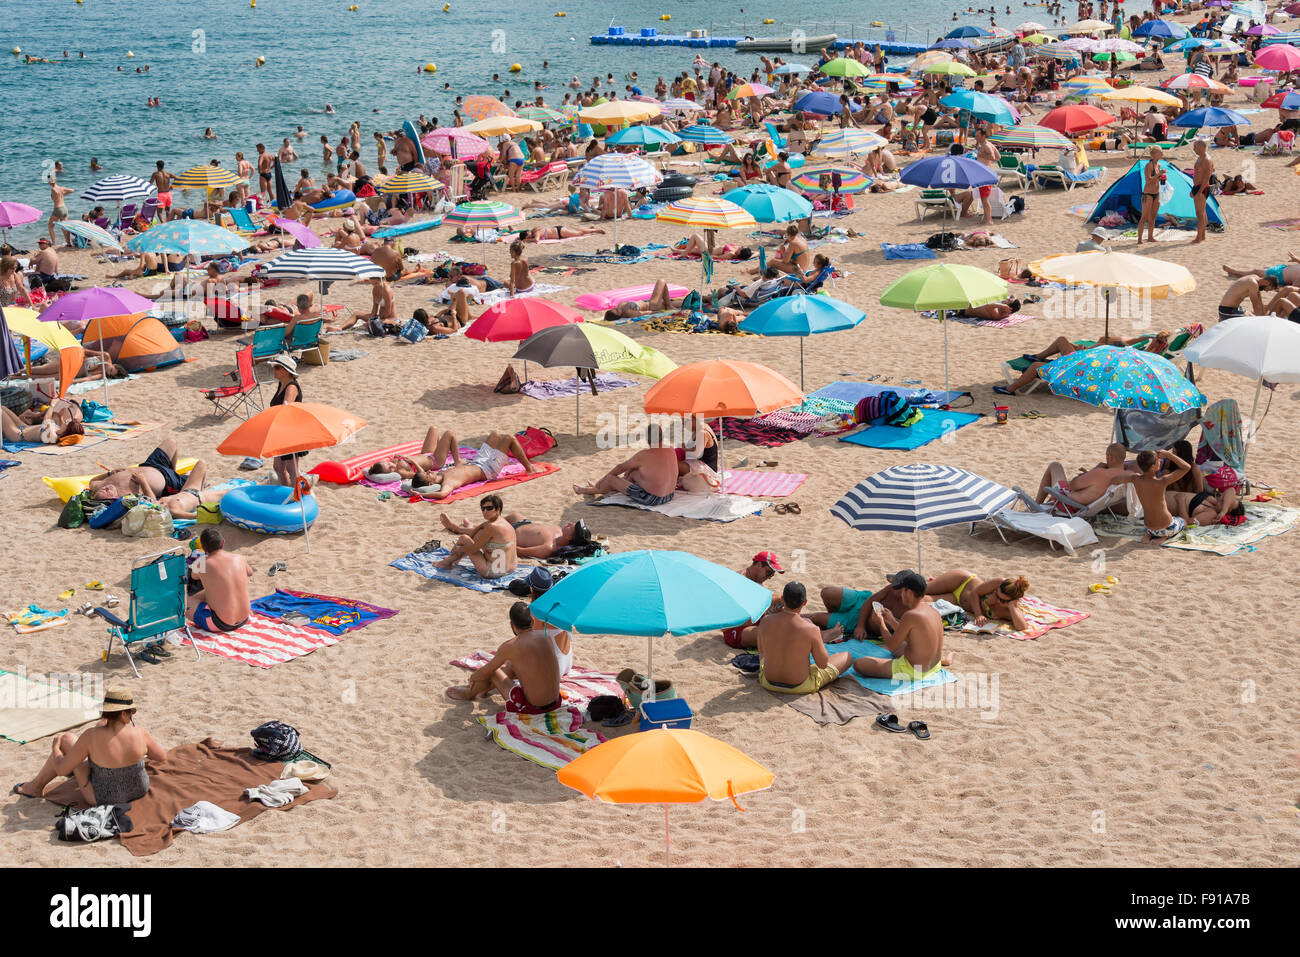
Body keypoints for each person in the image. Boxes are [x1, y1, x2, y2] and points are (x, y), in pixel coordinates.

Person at [11, 688, 165, 805]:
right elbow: (161, 757)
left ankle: (35, 787)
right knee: (100, 732)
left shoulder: (91, 735)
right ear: (124, 714)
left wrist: (56, 748)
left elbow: (61, 770)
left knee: (66, 738)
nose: (131, 716)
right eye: (131, 712)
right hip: (139, 790)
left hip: (101, 798)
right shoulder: (141, 733)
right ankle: (37, 785)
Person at [446, 602, 562, 713]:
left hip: (533, 709)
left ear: (512, 625)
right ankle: (483, 690)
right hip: (556, 703)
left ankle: (469, 694)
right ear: (532, 622)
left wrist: (473, 677)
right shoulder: (546, 637)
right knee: (511, 665)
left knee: (491, 671)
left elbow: (486, 672)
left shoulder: (511, 645)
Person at [366, 424, 536, 499]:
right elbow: (441, 494)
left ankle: (503, 459)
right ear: (431, 482)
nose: (429, 472)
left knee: (495, 434)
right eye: (429, 476)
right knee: (509, 438)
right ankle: (529, 468)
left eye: (427, 473)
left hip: (477, 462)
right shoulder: (448, 482)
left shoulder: (439, 474)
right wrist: (421, 494)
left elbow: (420, 474)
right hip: (488, 469)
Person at [755, 582, 852, 695]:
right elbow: (823, 664)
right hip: (799, 686)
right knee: (847, 657)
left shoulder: (765, 621)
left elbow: (762, 653)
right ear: (804, 602)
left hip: (767, 682)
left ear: (782, 599)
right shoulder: (811, 629)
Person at [849, 572, 948, 683]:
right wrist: (891, 620)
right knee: (903, 645)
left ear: (909, 593)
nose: (901, 595)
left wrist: (881, 623)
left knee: (858, 664)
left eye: (902, 591)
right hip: (934, 667)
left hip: (916, 671)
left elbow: (891, 645)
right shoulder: (933, 611)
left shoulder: (911, 615)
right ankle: (945, 659)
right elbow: (914, 636)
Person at [572, 422, 678, 506]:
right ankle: (604, 487)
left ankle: (590, 490)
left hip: (653, 499)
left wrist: (602, 480)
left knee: (610, 478)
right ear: (662, 437)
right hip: (669, 495)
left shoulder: (644, 455)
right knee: (632, 472)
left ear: (647, 439)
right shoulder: (670, 449)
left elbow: (620, 467)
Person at [1108, 448, 1191, 543]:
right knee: (1183, 521)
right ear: (1152, 467)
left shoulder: (1135, 478)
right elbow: (1186, 467)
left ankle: (1148, 536)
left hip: (1149, 527)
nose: (1160, 461)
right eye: (1157, 460)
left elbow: (1115, 479)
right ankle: (1163, 538)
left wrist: (1129, 476)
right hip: (1166, 527)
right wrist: (1169, 455)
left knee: (1154, 526)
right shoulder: (1161, 481)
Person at [441, 508, 584, 560]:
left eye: (572, 527)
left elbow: (520, 551)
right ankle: (474, 528)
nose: (570, 523)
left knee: (492, 528)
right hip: (523, 524)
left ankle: (457, 528)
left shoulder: (549, 547)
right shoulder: (559, 532)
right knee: (514, 515)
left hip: (511, 534)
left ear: (569, 537)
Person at [88, 438, 199, 501]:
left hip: (151, 464)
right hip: (168, 482)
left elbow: (92, 482)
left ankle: (174, 471)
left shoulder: (100, 486)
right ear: (113, 498)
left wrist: (108, 474)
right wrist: (143, 482)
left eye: (103, 489)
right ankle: (179, 476)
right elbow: (153, 503)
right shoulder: (125, 497)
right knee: (198, 474)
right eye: (107, 492)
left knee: (171, 442)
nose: (106, 488)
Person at [436, 493, 517, 578]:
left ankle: (447, 562)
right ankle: (454, 558)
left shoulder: (492, 526)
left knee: (464, 539)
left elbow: (474, 548)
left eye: (489, 508)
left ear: (498, 509)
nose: (485, 511)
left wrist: (458, 548)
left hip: (492, 572)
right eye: (483, 508)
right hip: (510, 569)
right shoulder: (501, 522)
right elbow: (475, 532)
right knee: (467, 539)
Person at [1034, 441, 1135, 509]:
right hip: (1093, 507)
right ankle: (1041, 504)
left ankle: (1036, 505)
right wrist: (1089, 475)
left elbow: (1072, 486)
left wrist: (1093, 470)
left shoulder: (1100, 472)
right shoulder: (1130, 475)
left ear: (1110, 457)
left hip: (1068, 505)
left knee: (1055, 466)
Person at [188, 527, 253, 632]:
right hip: (244, 619)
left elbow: (193, 576)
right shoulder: (239, 558)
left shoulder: (202, 563)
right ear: (223, 542)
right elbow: (250, 572)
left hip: (220, 624)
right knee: (214, 589)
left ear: (204, 548)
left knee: (185, 601)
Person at [720, 551, 788, 648]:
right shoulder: (739, 580)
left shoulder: (756, 579)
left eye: (772, 575)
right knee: (779, 633)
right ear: (759, 565)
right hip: (735, 630)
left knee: (794, 620)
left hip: (752, 623)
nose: (769, 577)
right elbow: (725, 625)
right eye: (769, 572)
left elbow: (756, 609)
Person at [925, 570, 1029, 631]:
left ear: (1012, 600)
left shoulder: (1011, 609)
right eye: (996, 593)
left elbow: (1022, 627)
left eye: (1002, 600)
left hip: (957, 601)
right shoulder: (999, 582)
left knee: (921, 600)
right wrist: (979, 614)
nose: (997, 599)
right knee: (922, 590)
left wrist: (1012, 607)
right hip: (962, 581)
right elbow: (975, 593)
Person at [265, 355, 306, 486]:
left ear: (286, 371)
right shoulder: (282, 384)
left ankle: (296, 496)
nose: (274, 370)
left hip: (290, 431)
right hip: (281, 430)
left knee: (291, 468)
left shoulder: (291, 387)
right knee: (278, 467)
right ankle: (287, 491)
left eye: (277, 367)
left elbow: (285, 409)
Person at [329, 276, 396, 331]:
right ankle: (340, 328)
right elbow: (374, 308)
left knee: (370, 324)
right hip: (380, 317)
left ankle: (374, 323)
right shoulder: (375, 289)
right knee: (357, 314)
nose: (374, 285)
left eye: (375, 283)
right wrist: (372, 318)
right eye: (372, 283)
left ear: (381, 280)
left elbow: (388, 312)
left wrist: (375, 321)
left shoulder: (387, 291)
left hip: (390, 319)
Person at [0, 404, 84, 445]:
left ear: (67, 430)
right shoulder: (59, 430)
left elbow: (46, 420)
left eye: (67, 422)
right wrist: (60, 415)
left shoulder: (52, 436)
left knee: (0, 411)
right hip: (24, 427)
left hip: (16, 434)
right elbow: (58, 422)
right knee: (3, 407)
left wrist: (52, 404)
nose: (65, 421)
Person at [1136, 146, 1163, 245]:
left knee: (1153, 217)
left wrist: (1162, 178)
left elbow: (1156, 179)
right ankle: (1139, 239)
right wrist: (1158, 174)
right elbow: (1148, 180)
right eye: (1160, 152)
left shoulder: (1158, 165)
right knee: (1144, 217)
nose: (1162, 154)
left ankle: (1150, 237)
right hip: (1148, 194)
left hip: (1156, 193)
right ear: (1155, 154)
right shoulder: (1149, 165)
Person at [1190, 139, 1213, 244]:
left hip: (1202, 187)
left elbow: (1207, 177)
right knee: (1202, 212)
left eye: (1195, 147)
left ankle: (1199, 237)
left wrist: (1199, 191)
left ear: (1201, 147)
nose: (1194, 149)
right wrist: (1193, 189)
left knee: (1200, 214)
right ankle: (1202, 235)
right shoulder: (1200, 158)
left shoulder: (1206, 159)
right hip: (1197, 186)